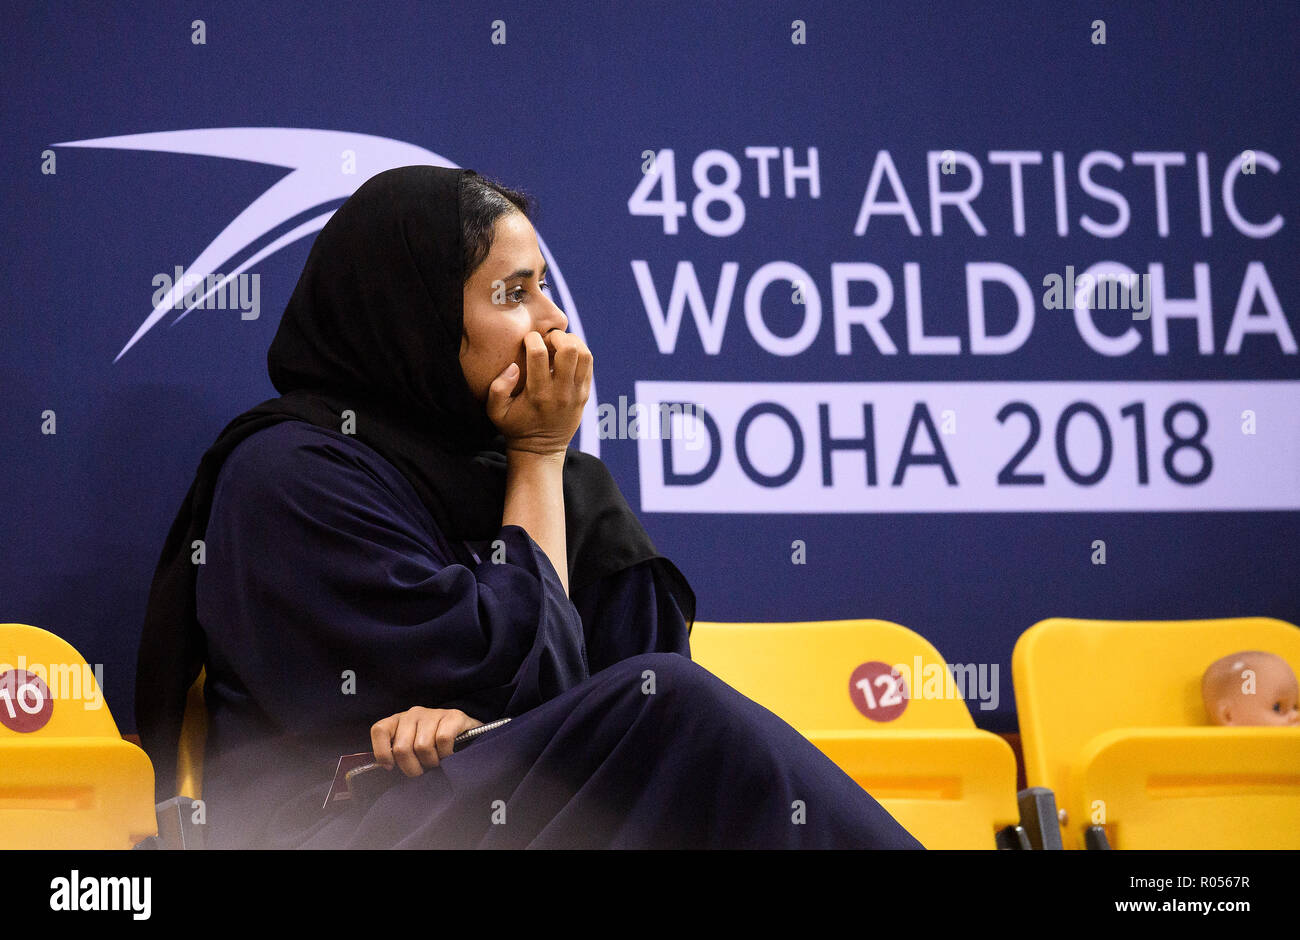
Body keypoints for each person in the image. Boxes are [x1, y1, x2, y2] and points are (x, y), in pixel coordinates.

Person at [134, 164, 924, 849]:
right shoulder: (290, 475)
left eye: (544, 287)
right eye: (512, 293)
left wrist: (494, 725)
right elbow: (545, 691)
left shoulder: (573, 492)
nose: (553, 322)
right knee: (674, 709)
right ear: (414, 314)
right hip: (350, 826)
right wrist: (539, 458)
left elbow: (616, 707)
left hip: (527, 822)